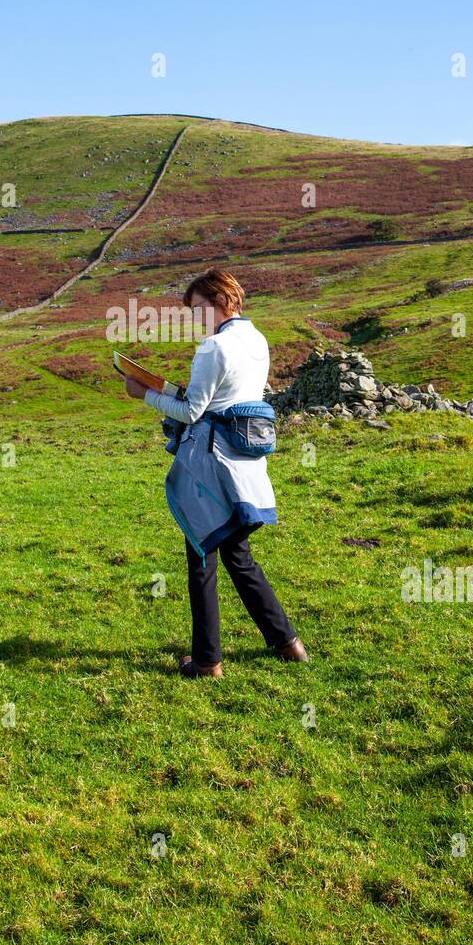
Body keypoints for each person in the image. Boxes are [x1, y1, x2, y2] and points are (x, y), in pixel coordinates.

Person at [124, 268, 307, 678]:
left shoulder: (213, 346)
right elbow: (222, 399)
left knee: (202, 554)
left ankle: (207, 661)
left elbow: (193, 412)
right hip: (245, 464)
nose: (195, 319)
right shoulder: (257, 340)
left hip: (210, 466)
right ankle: (288, 643)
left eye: (198, 309)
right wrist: (170, 390)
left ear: (222, 300)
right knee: (238, 556)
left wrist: (146, 394)